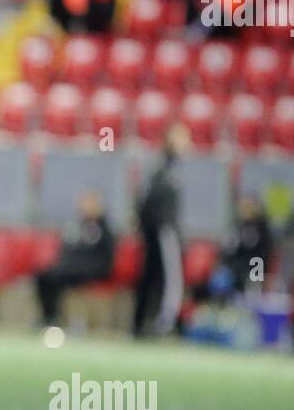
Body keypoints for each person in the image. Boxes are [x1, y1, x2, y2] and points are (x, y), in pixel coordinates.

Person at [132, 124, 189, 337]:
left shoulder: (166, 169)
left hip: (155, 230)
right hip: (163, 230)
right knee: (169, 278)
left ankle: (143, 323)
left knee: (153, 277)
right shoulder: (163, 170)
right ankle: (164, 323)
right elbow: (149, 203)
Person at [35, 189, 115, 327]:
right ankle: (49, 317)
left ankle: (53, 318)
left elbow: (106, 257)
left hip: (92, 270)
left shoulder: (104, 229)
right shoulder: (77, 225)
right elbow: (66, 249)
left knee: (54, 277)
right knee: (44, 276)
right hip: (71, 268)